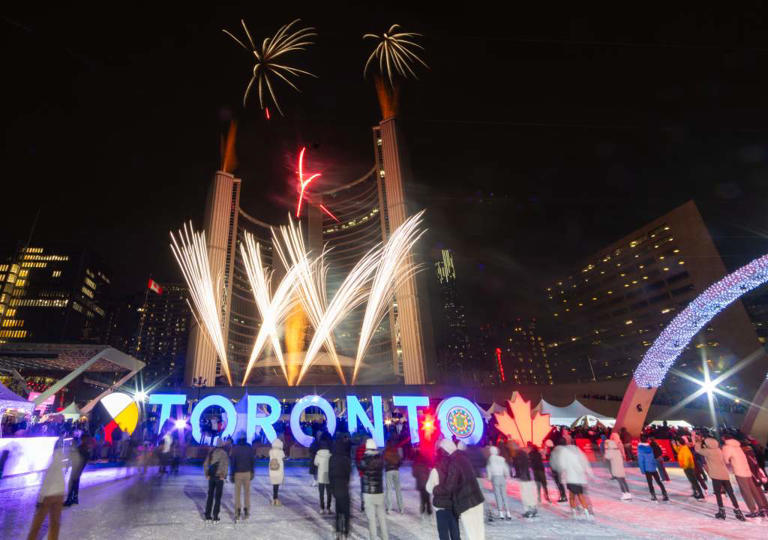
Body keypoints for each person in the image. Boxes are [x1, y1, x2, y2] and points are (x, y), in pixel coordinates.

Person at [694, 432, 745, 521]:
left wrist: (698, 441)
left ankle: (721, 511)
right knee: (731, 493)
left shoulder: (708, 451)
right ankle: (738, 511)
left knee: (718, 493)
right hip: (724, 474)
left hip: (716, 475)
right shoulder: (719, 450)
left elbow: (697, 450)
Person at [441, 439, 485, 539]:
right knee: (479, 530)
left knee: (471, 531)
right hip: (477, 498)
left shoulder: (454, 462)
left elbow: (450, 485)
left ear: (446, 449)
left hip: (466, 502)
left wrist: (438, 489)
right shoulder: (464, 458)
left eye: (442, 451)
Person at [27, 440, 67, 540]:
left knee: (37, 523)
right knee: (55, 523)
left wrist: (40, 498)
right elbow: (61, 480)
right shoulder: (61, 461)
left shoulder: (53, 462)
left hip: (49, 496)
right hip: (59, 494)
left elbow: (47, 482)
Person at [721, 434, 768, 518]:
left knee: (746, 492)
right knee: (754, 490)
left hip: (740, 472)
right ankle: (761, 508)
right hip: (747, 471)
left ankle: (753, 510)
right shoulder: (738, 446)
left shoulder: (727, 447)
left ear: (725, 438)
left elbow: (726, 460)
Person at [550, 441, 594, 519]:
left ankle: (574, 512)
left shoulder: (566, 454)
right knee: (580, 496)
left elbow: (562, 466)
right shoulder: (578, 453)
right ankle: (586, 511)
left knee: (572, 496)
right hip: (578, 479)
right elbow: (583, 464)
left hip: (571, 479)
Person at [427, 440, 460, 540]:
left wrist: (436, 489)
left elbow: (428, 487)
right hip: (453, 505)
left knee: (443, 534)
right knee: (455, 532)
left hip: (441, 507)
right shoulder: (456, 468)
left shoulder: (435, 470)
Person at [360, 438, 388, 540]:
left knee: (371, 519)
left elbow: (360, 467)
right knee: (381, 517)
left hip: (368, 492)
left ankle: (373, 537)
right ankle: (385, 537)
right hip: (379, 491)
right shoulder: (380, 459)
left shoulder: (364, 459)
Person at [329, 433, 352, 539]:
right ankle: (345, 532)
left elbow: (330, 474)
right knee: (346, 511)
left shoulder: (332, 459)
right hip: (343, 486)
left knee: (338, 511)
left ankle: (338, 531)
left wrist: (332, 488)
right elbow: (348, 474)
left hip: (336, 487)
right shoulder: (345, 459)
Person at [229, 434, 254, 520]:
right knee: (247, 493)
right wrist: (252, 471)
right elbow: (252, 460)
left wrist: (232, 474)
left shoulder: (235, 449)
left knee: (237, 493)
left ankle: (238, 510)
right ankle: (246, 510)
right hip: (247, 472)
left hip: (238, 473)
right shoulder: (249, 448)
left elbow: (233, 462)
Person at [203, 439, 229, 522]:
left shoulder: (211, 452)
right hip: (219, 477)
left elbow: (205, 464)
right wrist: (224, 476)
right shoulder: (224, 453)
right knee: (217, 497)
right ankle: (215, 516)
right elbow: (225, 465)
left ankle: (207, 515)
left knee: (210, 496)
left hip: (211, 477)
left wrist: (207, 474)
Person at [637, 435, 668, 502]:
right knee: (658, 481)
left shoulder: (640, 448)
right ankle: (665, 494)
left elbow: (641, 460)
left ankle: (653, 495)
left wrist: (642, 470)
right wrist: (654, 465)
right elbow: (652, 457)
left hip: (647, 468)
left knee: (650, 482)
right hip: (653, 467)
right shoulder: (650, 447)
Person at [64, 434, 90, 506]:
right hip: (76, 468)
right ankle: (74, 498)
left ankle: (70, 499)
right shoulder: (82, 448)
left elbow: (83, 459)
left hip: (77, 468)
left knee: (72, 483)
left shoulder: (83, 448)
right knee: (75, 483)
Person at [486, 445, 511, 519]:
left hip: (495, 477)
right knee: (504, 494)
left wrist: (489, 478)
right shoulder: (502, 459)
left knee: (498, 495)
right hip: (502, 477)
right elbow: (506, 468)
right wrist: (507, 475)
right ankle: (508, 512)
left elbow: (489, 469)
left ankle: (501, 513)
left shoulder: (490, 459)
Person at [513, 444, 538, 518]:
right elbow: (523, 467)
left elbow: (518, 466)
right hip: (526, 477)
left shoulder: (520, 455)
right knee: (528, 493)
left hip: (524, 477)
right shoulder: (523, 455)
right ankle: (532, 508)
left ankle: (528, 510)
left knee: (525, 494)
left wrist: (520, 475)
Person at [604, 434, 631, 500]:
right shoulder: (617, 450)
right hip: (621, 468)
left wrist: (606, 448)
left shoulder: (611, 451)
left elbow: (607, 457)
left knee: (620, 482)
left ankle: (624, 494)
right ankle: (628, 494)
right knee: (623, 481)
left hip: (616, 469)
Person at [383, 438, 403, 513]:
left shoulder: (385, 451)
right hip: (396, 470)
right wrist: (397, 465)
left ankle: (389, 507)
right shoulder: (395, 450)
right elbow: (400, 460)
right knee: (398, 490)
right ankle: (401, 508)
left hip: (389, 471)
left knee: (389, 490)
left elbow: (383, 461)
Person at [412, 448, 432, 518]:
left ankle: (423, 509)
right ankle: (429, 509)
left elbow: (414, 474)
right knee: (427, 495)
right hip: (426, 481)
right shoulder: (425, 461)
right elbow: (429, 471)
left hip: (420, 482)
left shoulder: (415, 463)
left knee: (422, 496)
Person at [315, 435, 333, 514]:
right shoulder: (330, 455)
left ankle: (322, 508)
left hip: (321, 476)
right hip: (328, 475)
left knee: (321, 493)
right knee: (329, 492)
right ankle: (328, 508)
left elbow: (316, 463)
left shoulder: (318, 454)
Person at [269, 438, 285, 505]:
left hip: (272, 470)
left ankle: (274, 499)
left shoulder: (270, 451)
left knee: (274, 485)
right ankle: (276, 499)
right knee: (277, 485)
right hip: (278, 470)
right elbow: (283, 457)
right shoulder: (281, 452)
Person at [355, 439, 367, 512]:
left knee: (363, 490)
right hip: (370, 473)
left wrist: (359, 471)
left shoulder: (358, 450)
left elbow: (357, 461)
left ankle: (363, 505)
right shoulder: (369, 450)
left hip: (362, 473)